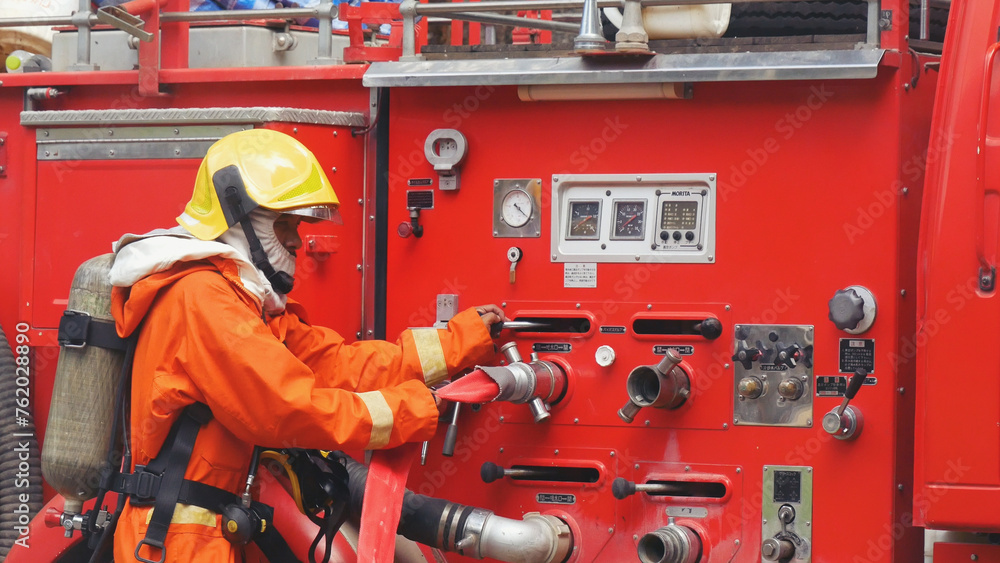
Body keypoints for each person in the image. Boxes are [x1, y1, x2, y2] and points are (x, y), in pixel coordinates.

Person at [108, 128, 505, 562]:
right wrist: (412, 409)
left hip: (194, 535)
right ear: (242, 219)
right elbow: (286, 408)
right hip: (174, 541)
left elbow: (335, 364)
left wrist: (460, 344)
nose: (298, 242)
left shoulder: (241, 300)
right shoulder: (203, 298)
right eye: (286, 226)